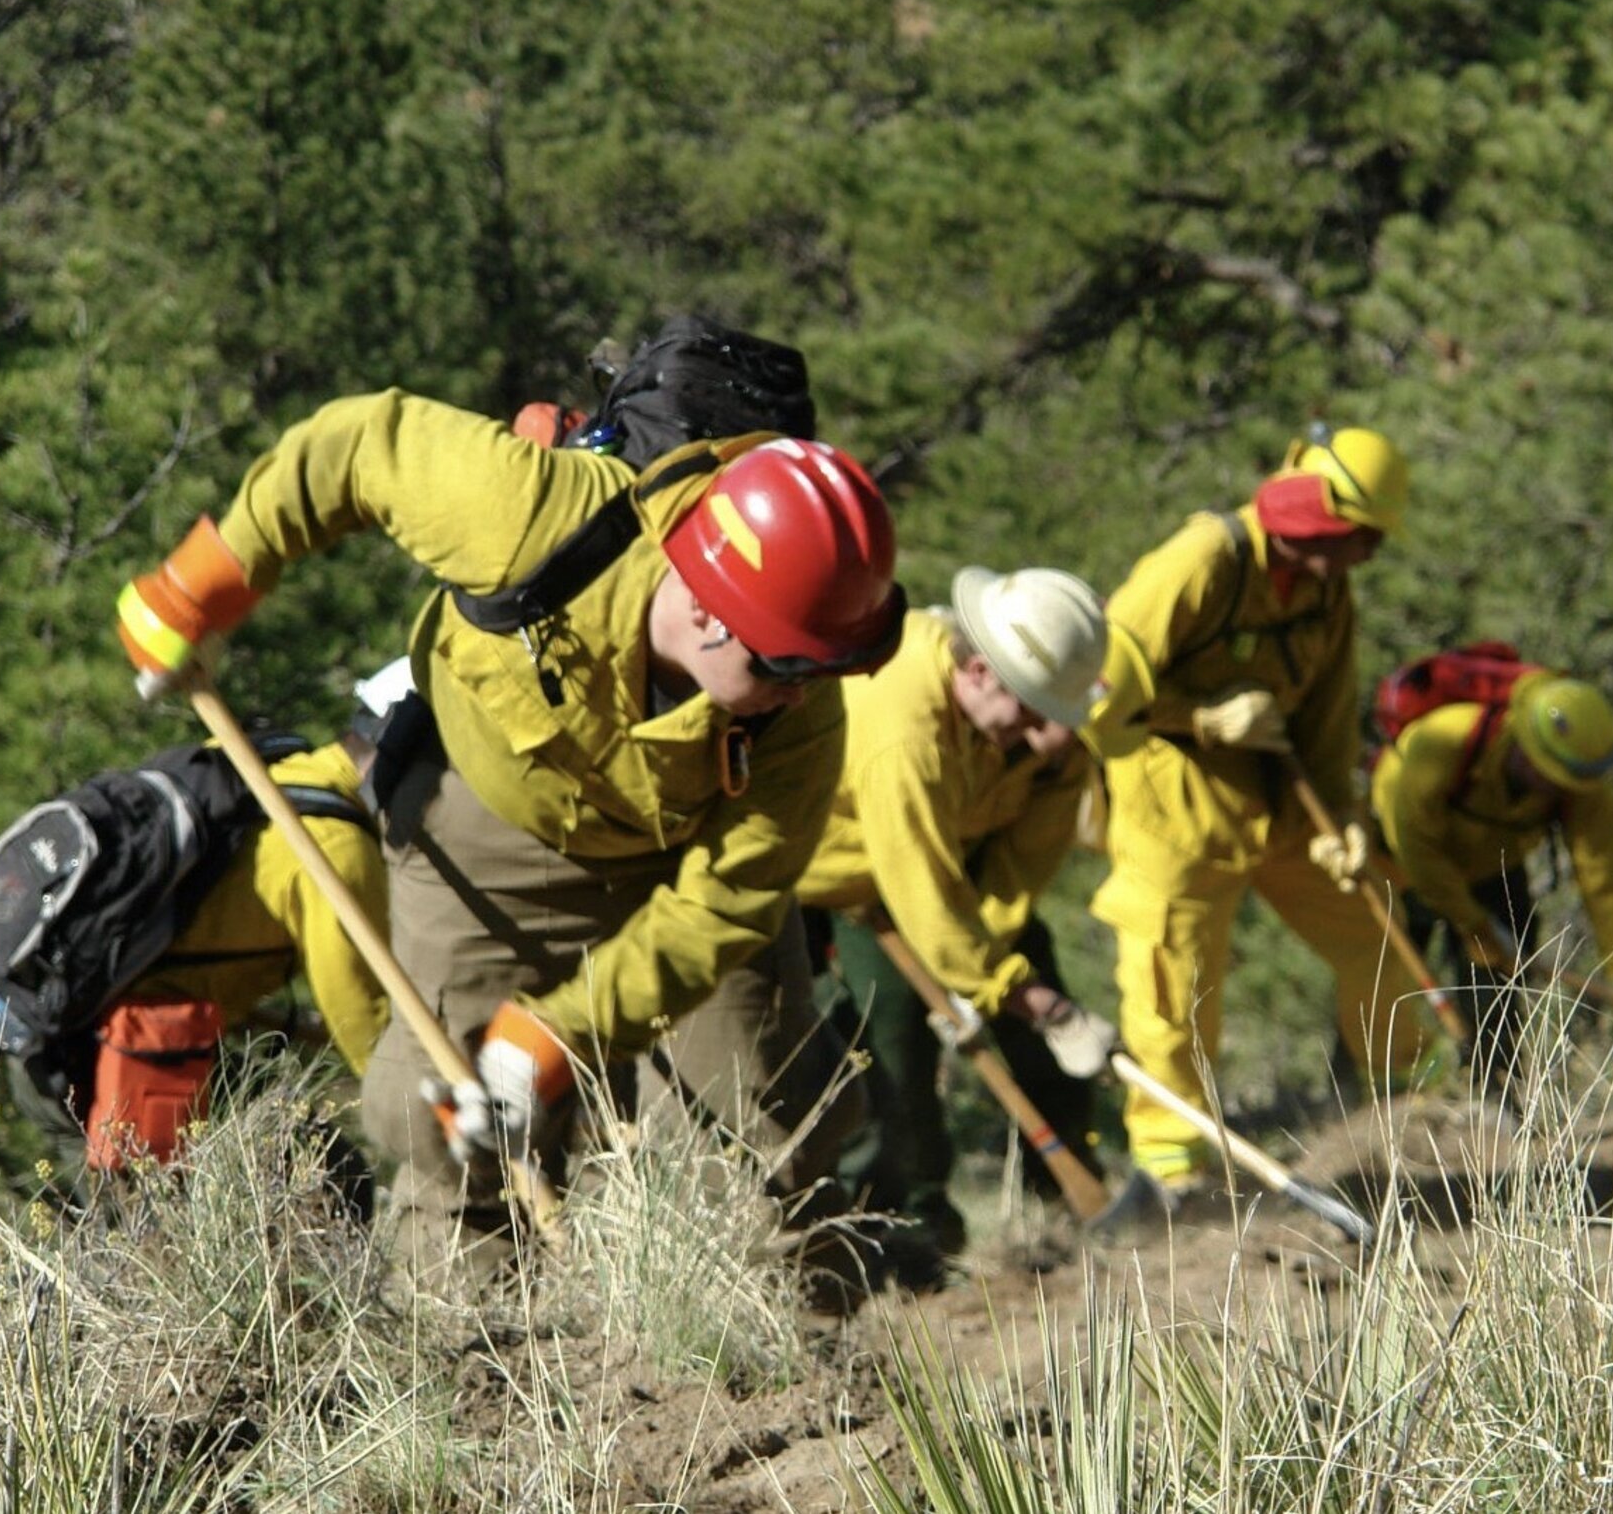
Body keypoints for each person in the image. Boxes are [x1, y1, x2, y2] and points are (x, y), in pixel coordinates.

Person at [114, 389, 902, 1280]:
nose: (806, 691)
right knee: (443, 1126)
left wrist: (561, 1034)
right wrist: (201, 582)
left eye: (828, 666)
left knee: (762, 1121)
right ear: (710, 607)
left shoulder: (799, 712)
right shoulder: (533, 514)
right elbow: (355, 445)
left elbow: (729, 902)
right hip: (486, 827)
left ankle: (759, 1354)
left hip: (683, 864)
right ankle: (474, 1363)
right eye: (790, 665)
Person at [1078, 426, 1424, 1229]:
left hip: (1284, 808)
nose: (1366, 555)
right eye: (1359, 537)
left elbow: (1331, 717)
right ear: (1321, 515)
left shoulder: (1328, 590)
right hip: (1176, 812)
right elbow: (1095, 686)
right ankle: (1170, 1171)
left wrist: (1341, 821)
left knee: (1371, 921)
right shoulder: (1202, 562)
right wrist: (1199, 718)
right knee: (1173, 984)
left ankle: (1408, 1099)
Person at [0, 678, 396, 1181]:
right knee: (328, 1177)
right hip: (104, 1062)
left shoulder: (262, 758)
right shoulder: (336, 850)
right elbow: (368, 1033)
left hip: (56, 1042)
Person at [795, 566, 1120, 1253]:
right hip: (859, 892)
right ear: (978, 671)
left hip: (943, 885)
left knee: (1035, 1004)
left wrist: (996, 978)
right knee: (891, 1049)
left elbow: (1012, 876)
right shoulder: (905, 728)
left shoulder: (1051, 752)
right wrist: (998, 984)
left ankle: (1064, 1200)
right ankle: (910, 1234)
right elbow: (918, 882)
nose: (1039, 730)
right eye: (1031, 708)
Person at [1368, 666, 1613, 1098]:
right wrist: (1473, 923)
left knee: (1498, 977)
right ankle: (1366, 1083)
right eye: (1549, 776)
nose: (1557, 789)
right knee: (1385, 968)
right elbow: (1415, 847)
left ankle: (1497, 1092)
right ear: (1526, 747)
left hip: (1490, 865)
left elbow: (1605, 867)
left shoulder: (1577, 774)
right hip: (1405, 860)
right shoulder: (1443, 741)